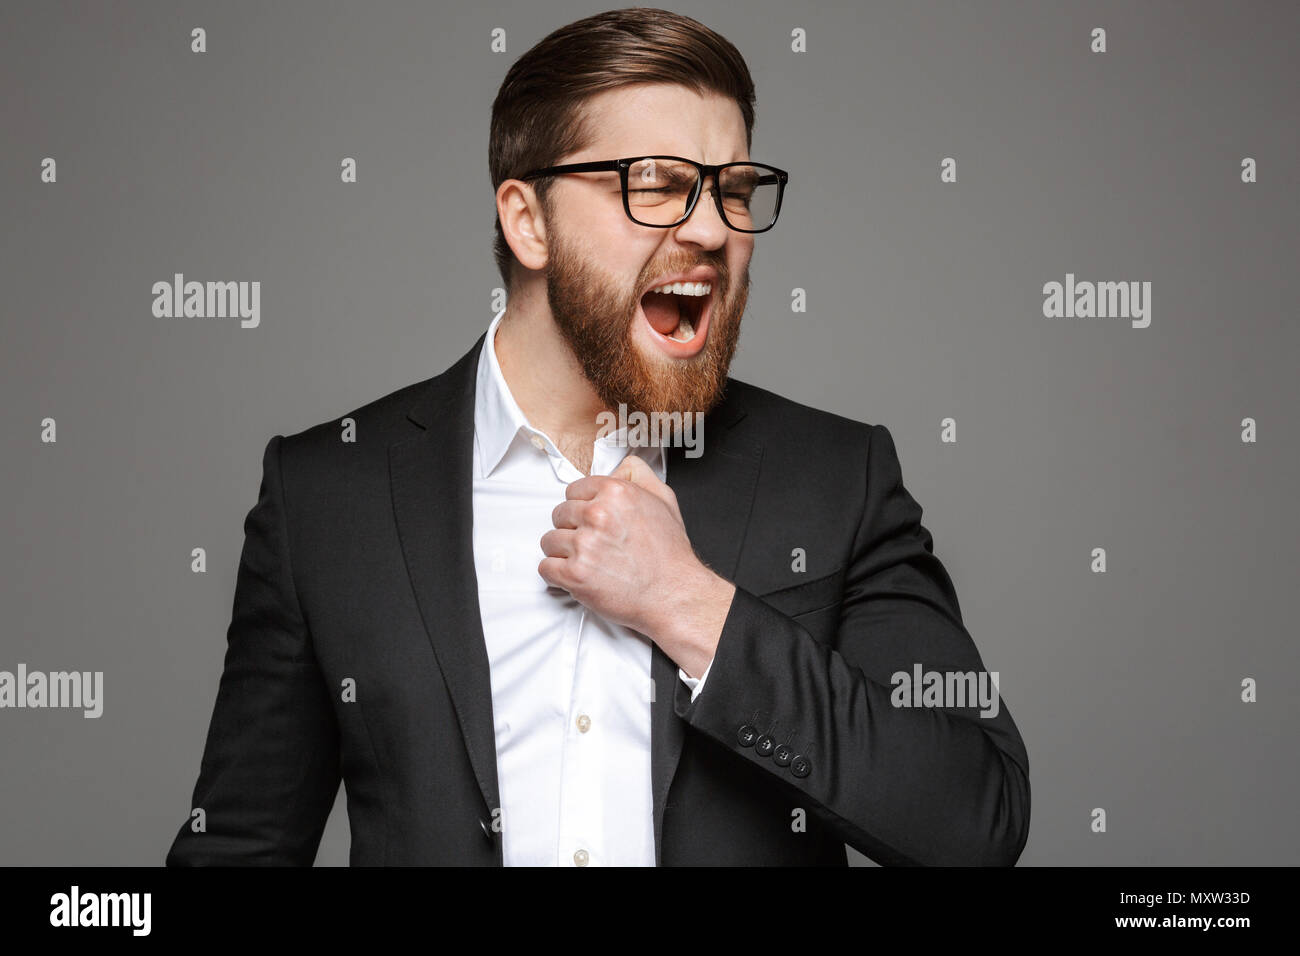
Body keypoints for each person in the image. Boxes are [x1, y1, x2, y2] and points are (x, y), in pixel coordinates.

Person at [166, 7, 1029, 867]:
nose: (713, 229)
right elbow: (237, 848)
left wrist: (691, 606)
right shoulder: (329, 496)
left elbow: (976, 818)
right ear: (527, 221)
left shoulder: (836, 478)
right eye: (654, 182)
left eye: (731, 190)